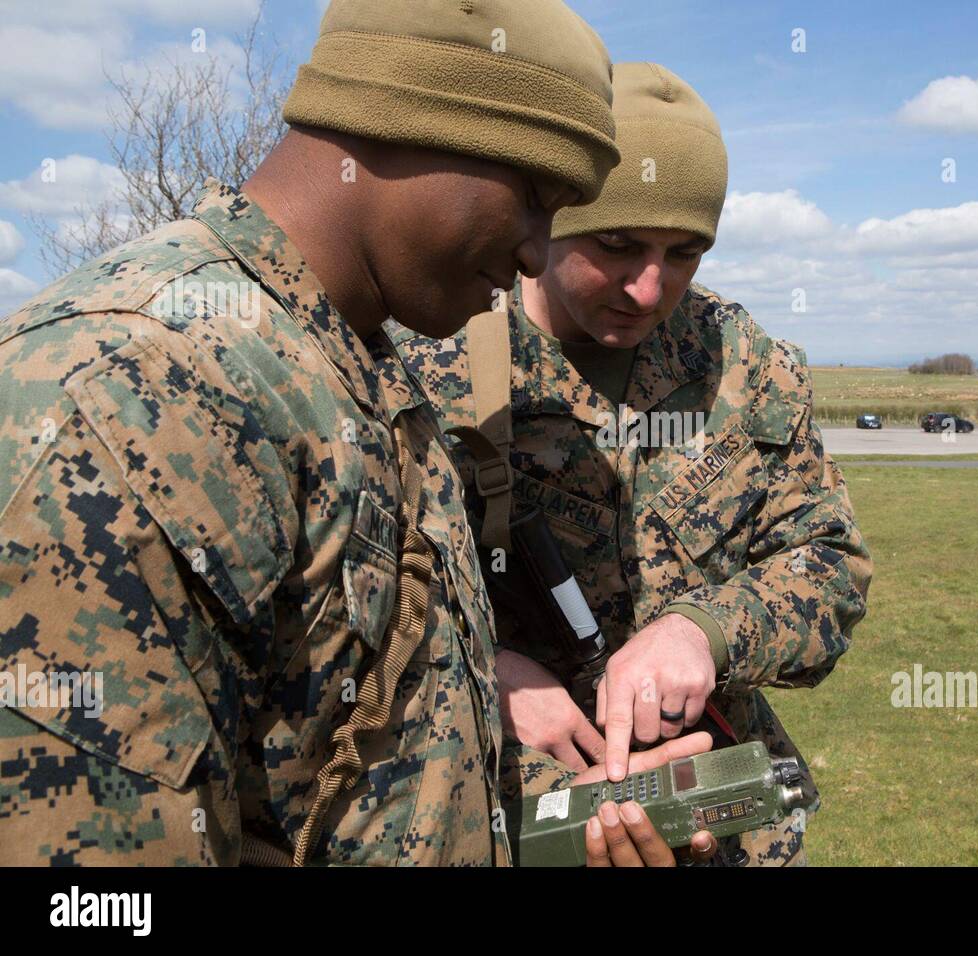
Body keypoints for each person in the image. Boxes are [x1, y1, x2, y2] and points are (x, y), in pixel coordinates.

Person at [0, 0, 685, 867]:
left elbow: (344, 771)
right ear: (410, 115)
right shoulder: (136, 389)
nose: (533, 257)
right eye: (538, 198)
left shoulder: (358, 374)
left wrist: (566, 815)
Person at [393, 62, 872, 866]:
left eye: (684, 253)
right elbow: (360, 602)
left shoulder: (748, 366)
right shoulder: (436, 361)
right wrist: (478, 667)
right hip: (513, 813)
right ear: (549, 224)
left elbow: (831, 566)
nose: (650, 289)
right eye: (616, 246)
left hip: (719, 818)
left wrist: (705, 631)